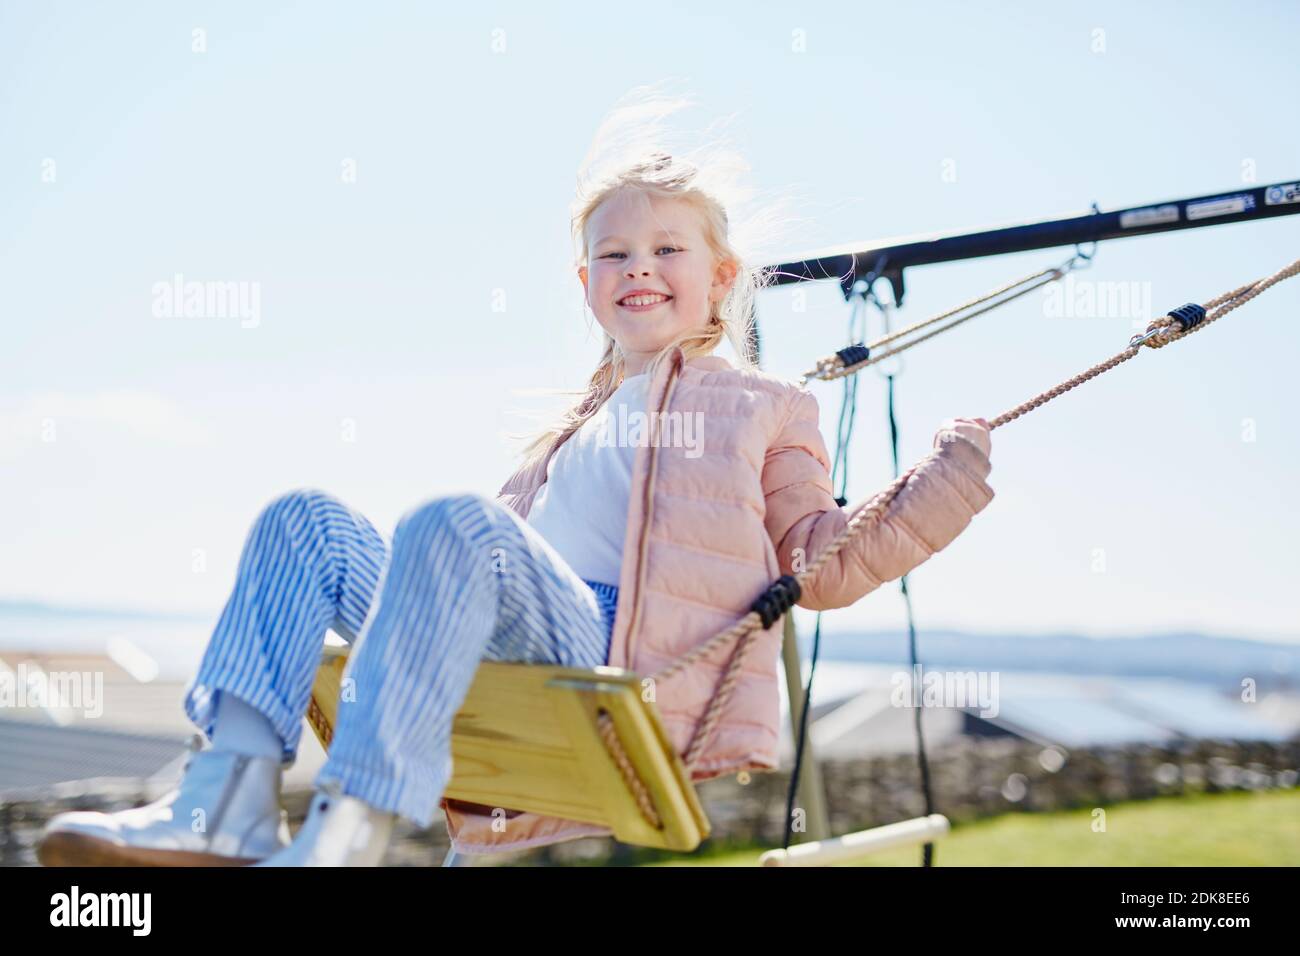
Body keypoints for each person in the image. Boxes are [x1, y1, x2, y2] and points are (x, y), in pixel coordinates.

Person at [38, 150, 995, 867]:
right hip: (509, 632)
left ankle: (349, 836)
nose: (639, 266)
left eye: (668, 247)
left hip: (616, 655)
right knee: (305, 520)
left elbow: (815, 564)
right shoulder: (565, 437)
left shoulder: (762, 407)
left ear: (721, 278)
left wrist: (938, 490)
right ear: (587, 286)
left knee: (455, 522)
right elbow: (470, 562)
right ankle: (226, 796)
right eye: (613, 252)